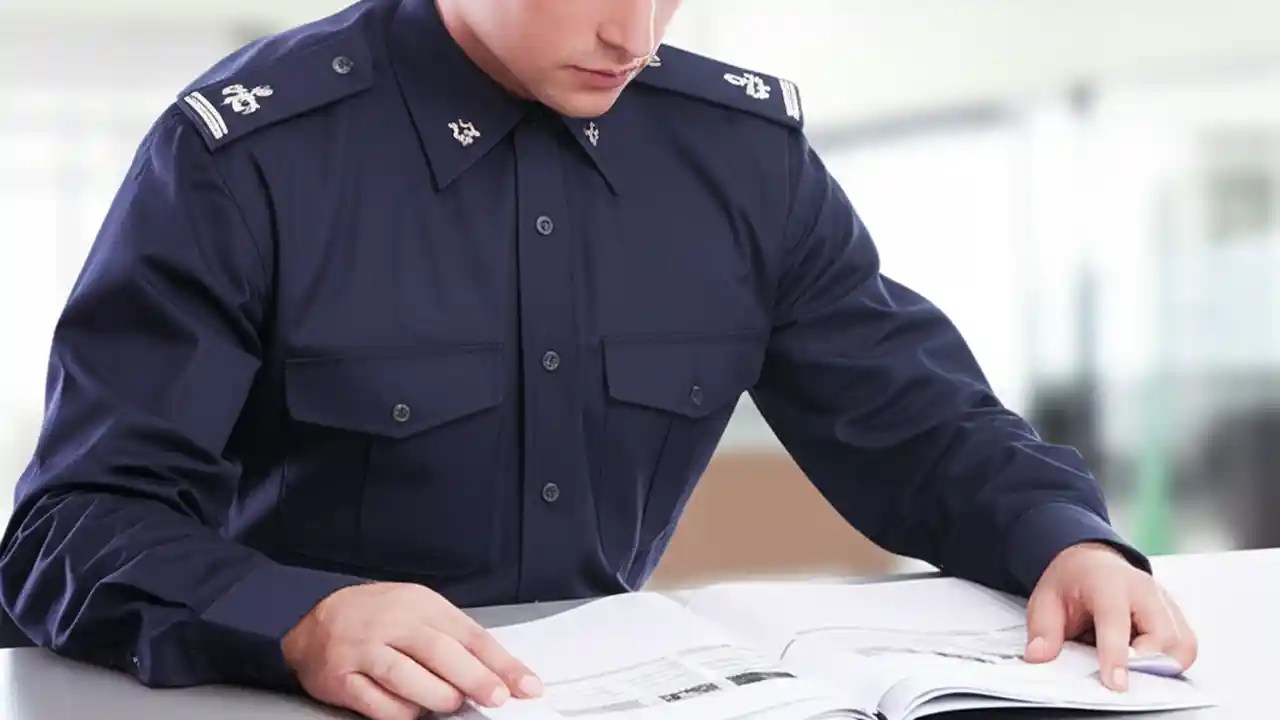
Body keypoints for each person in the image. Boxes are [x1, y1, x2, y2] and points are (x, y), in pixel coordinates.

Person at [0, 0, 1198, 718]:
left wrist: (1064, 536)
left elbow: (913, 423)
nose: (633, 32)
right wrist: (295, 619)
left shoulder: (738, 160)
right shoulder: (249, 157)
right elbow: (69, 531)